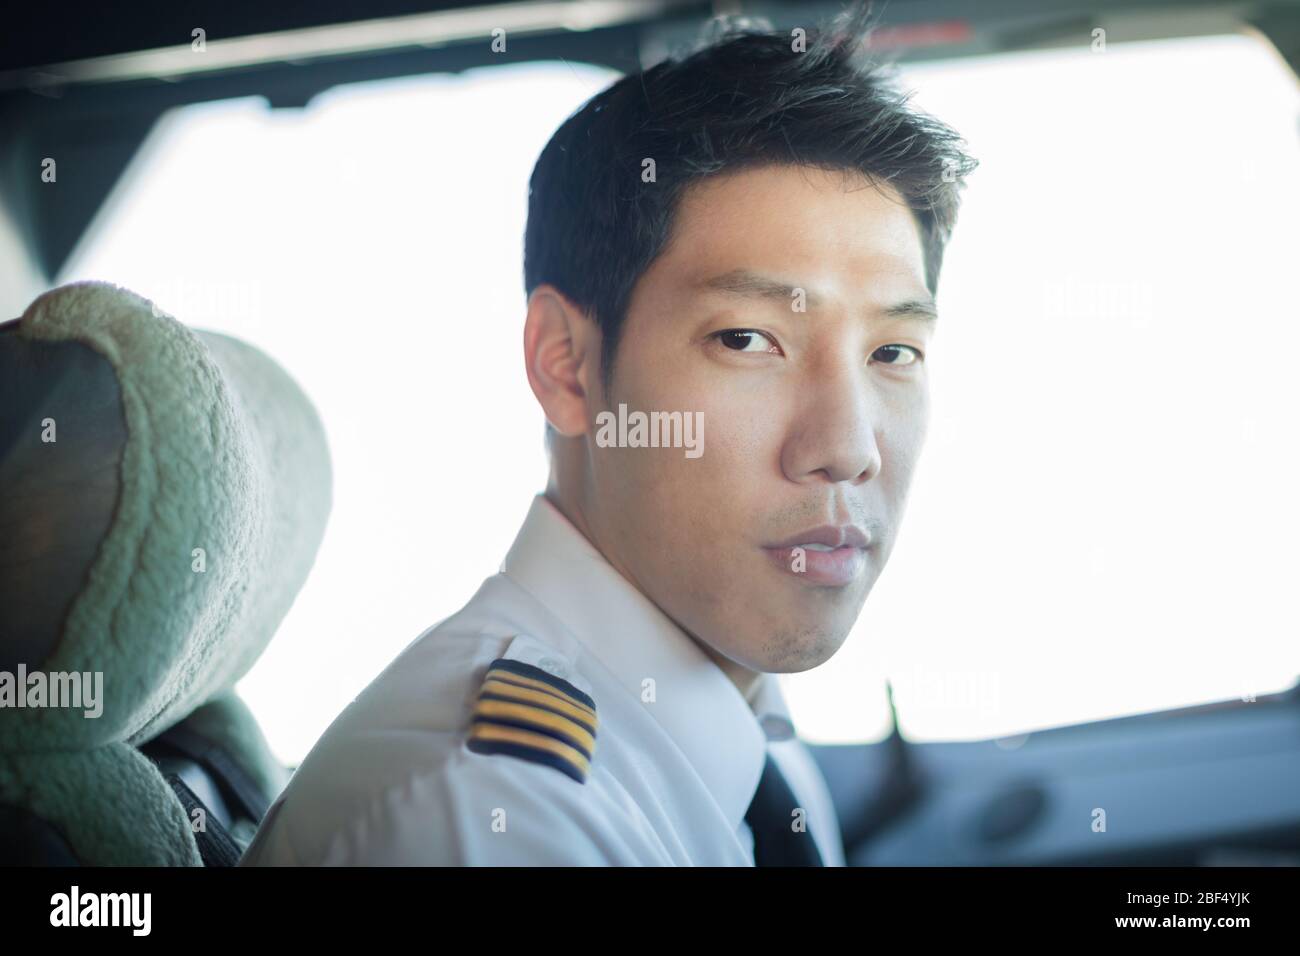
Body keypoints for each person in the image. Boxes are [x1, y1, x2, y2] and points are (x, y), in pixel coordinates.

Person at [239, 2, 974, 866]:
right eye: (747, 340)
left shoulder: (752, 736)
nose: (848, 447)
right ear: (567, 365)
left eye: (893, 351)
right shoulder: (487, 813)